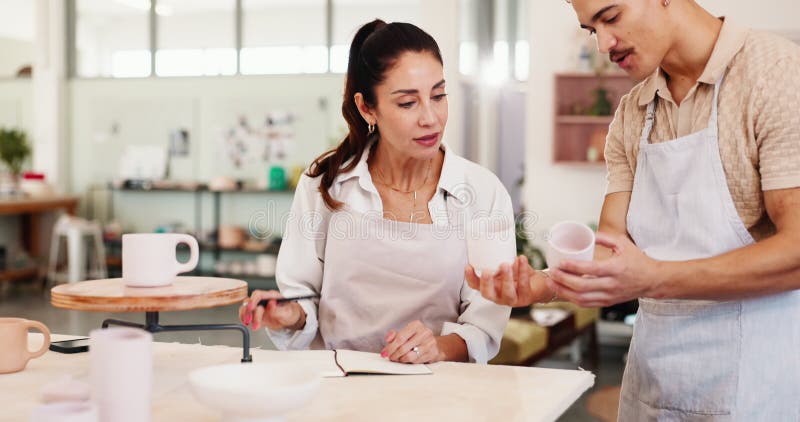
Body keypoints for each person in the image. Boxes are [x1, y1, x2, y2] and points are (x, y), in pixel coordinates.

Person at [467, 0, 800, 419]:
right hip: (654, 386)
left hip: (755, 389)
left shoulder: (777, 74)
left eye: (611, 17)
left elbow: (796, 253)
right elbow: (611, 247)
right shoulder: (633, 113)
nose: (604, 43)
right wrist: (544, 285)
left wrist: (657, 278)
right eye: (592, 29)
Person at [239, 19, 513, 364]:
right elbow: (304, 299)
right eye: (407, 103)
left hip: (440, 393)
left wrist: (437, 347)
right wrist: (289, 315)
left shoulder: (483, 192)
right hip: (337, 389)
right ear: (367, 107)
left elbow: (484, 327)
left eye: (439, 96)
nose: (431, 118)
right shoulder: (325, 185)